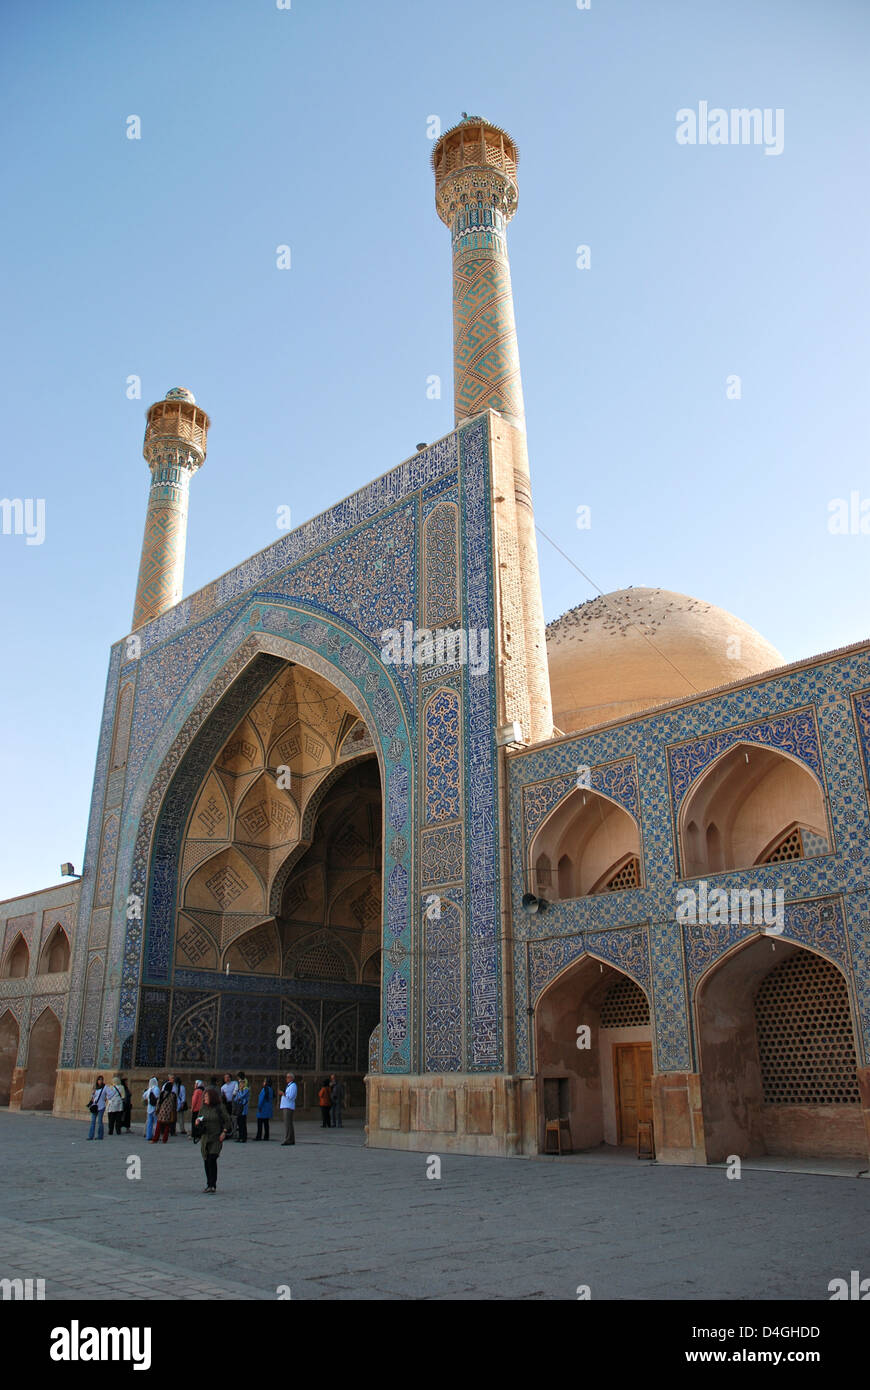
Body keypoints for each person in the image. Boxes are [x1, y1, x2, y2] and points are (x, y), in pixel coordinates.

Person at [194, 1086, 230, 1194]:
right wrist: (197, 1122)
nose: (204, 1098)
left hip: (216, 1137)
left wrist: (224, 1132)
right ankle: (208, 1184)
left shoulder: (220, 1107)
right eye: (204, 1097)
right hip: (205, 1137)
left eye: (206, 1096)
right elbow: (199, 1118)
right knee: (206, 1160)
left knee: (212, 1159)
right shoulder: (203, 1108)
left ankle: (213, 1184)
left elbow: (227, 1121)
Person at [87, 1075, 109, 1140]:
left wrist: (105, 1099)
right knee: (93, 1121)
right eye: (99, 1080)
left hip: (101, 1106)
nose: (100, 1081)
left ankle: (100, 1136)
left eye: (101, 1080)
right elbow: (93, 1096)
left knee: (99, 1121)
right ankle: (91, 1136)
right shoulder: (95, 1087)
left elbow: (110, 1094)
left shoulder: (105, 1087)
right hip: (95, 1106)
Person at [280, 1073, 297, 1145]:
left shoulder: (293, 1086)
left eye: (287, 1077)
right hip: (286, 1106)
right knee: (287, 1123)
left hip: (288, 1106)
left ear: (291, 1078)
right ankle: (290, 1138)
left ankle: (288, 1139)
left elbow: (290, 1096)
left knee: (288, 1123)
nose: (286, 1079)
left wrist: (283, 1093)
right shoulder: (289, 1085)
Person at [233, 1072, 250, 1142]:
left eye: (241, 1083)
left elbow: (241, 1096)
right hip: (239, 1109)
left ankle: (244, 1137)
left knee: (243, 1123)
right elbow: (236, 1098)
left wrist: (240, 1092)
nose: (240, 1084)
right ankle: (240, 1136)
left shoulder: (246, 1090)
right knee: (239, 1123)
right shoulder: (240, 1090)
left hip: (243, 1109)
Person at [142, 1076, 160, 1140]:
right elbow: (157, 1098)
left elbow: (143, 1096)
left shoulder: (149, 1089)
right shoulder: (156, 1089)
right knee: (156, 1123)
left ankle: (148, 1136)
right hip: (155, 1107)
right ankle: (156, 1136)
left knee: (149, 1123)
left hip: (149, 1108)